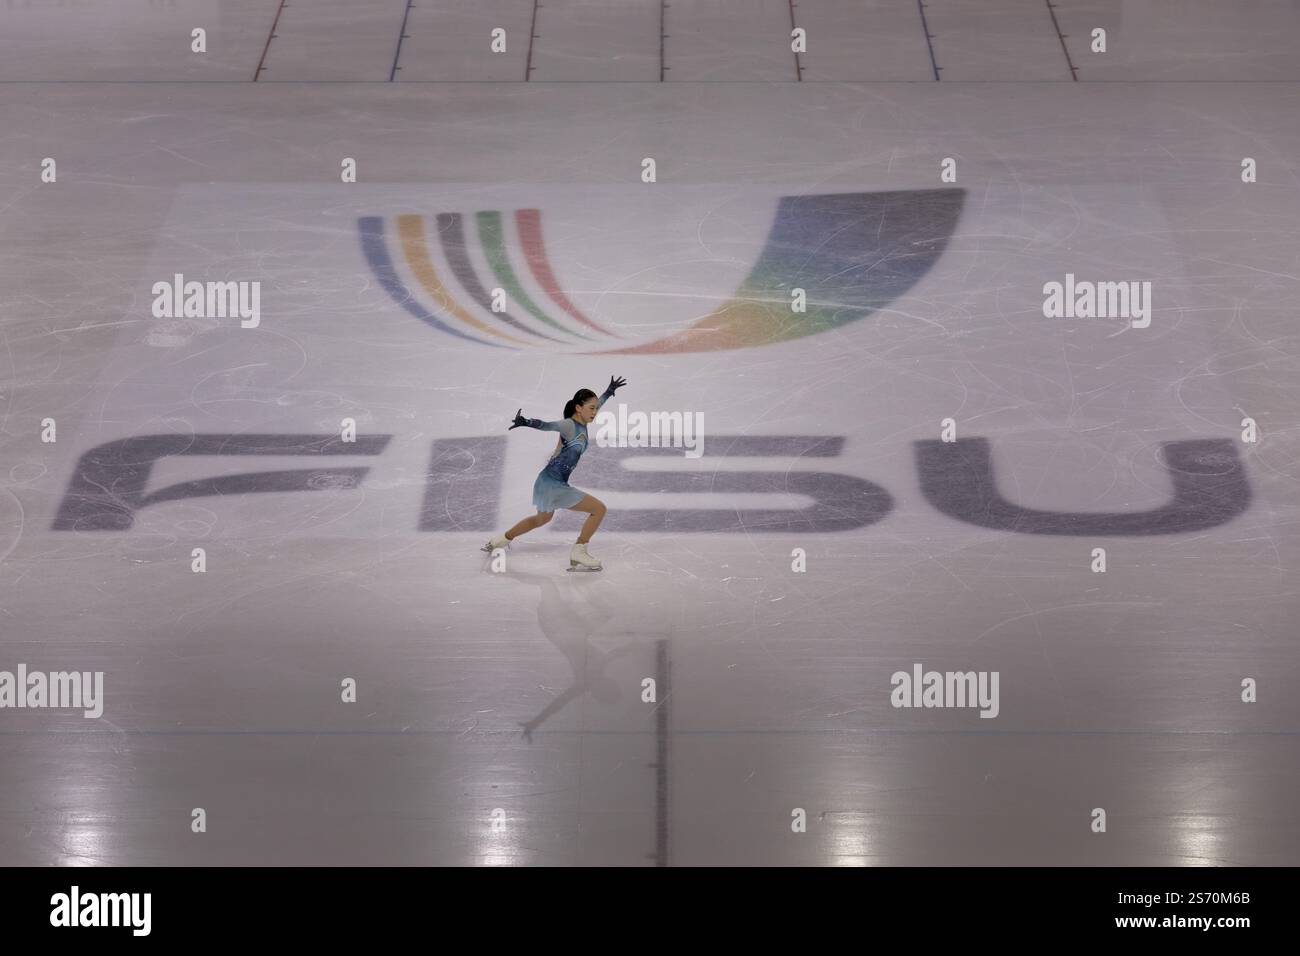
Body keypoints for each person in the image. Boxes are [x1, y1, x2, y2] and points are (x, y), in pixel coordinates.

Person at [482, 375, 627, 571]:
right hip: (552, 484)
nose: (595, 412)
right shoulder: (569, 425)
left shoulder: (583, 420)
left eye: (595, 408)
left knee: (541, 519)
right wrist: (526, 421)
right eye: (591, 408)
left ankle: (500, 540)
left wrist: (609, 391)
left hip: (546, 481)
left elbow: (598, 402)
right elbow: (548, 425)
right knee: (599, 509)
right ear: (578, 408)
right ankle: (579, 551)